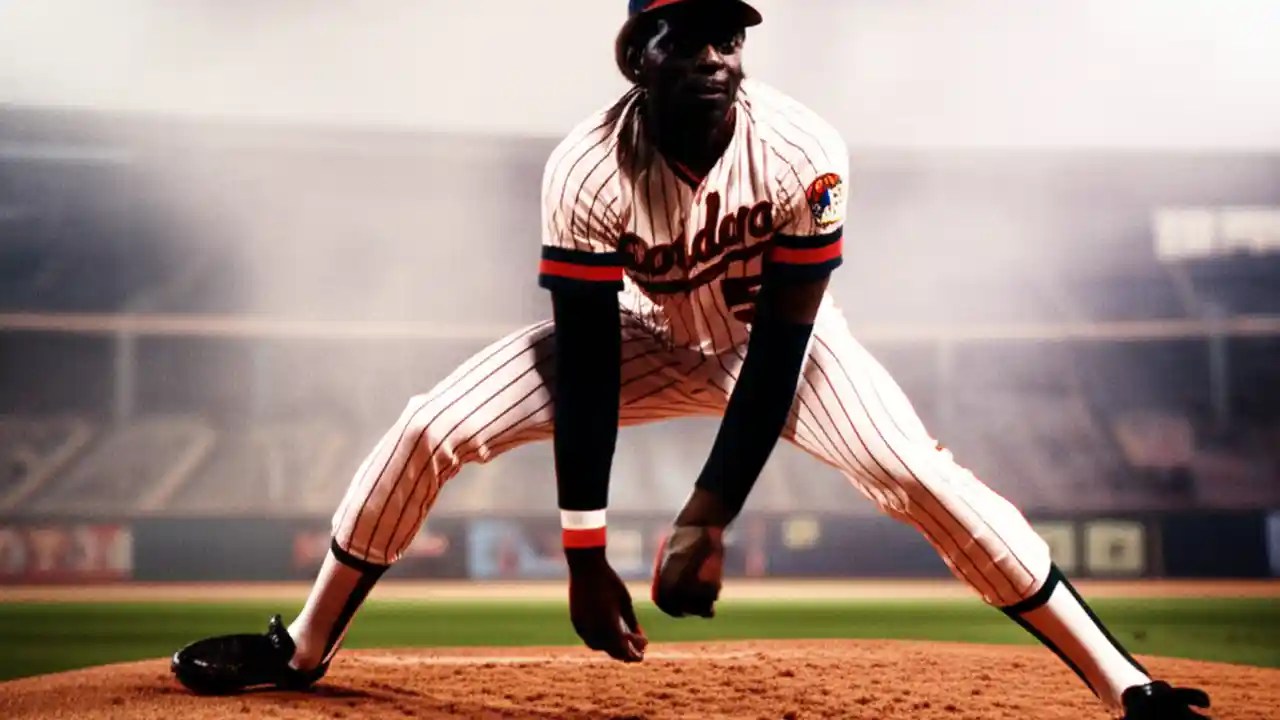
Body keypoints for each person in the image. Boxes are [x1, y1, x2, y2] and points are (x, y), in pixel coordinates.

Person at [171, 1, 1211, 717]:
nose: (715, 54)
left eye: (728, 35)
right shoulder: (583, 168)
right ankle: (300, 651)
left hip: (778, 349)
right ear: (637, 58)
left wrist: (703, 517)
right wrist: (584, 559)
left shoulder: (804, 151)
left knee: (909, 473)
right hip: (643, 336)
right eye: (687, 37)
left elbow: (783, 349)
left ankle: (1123, 685)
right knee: (430, 427)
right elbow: (583, 364)